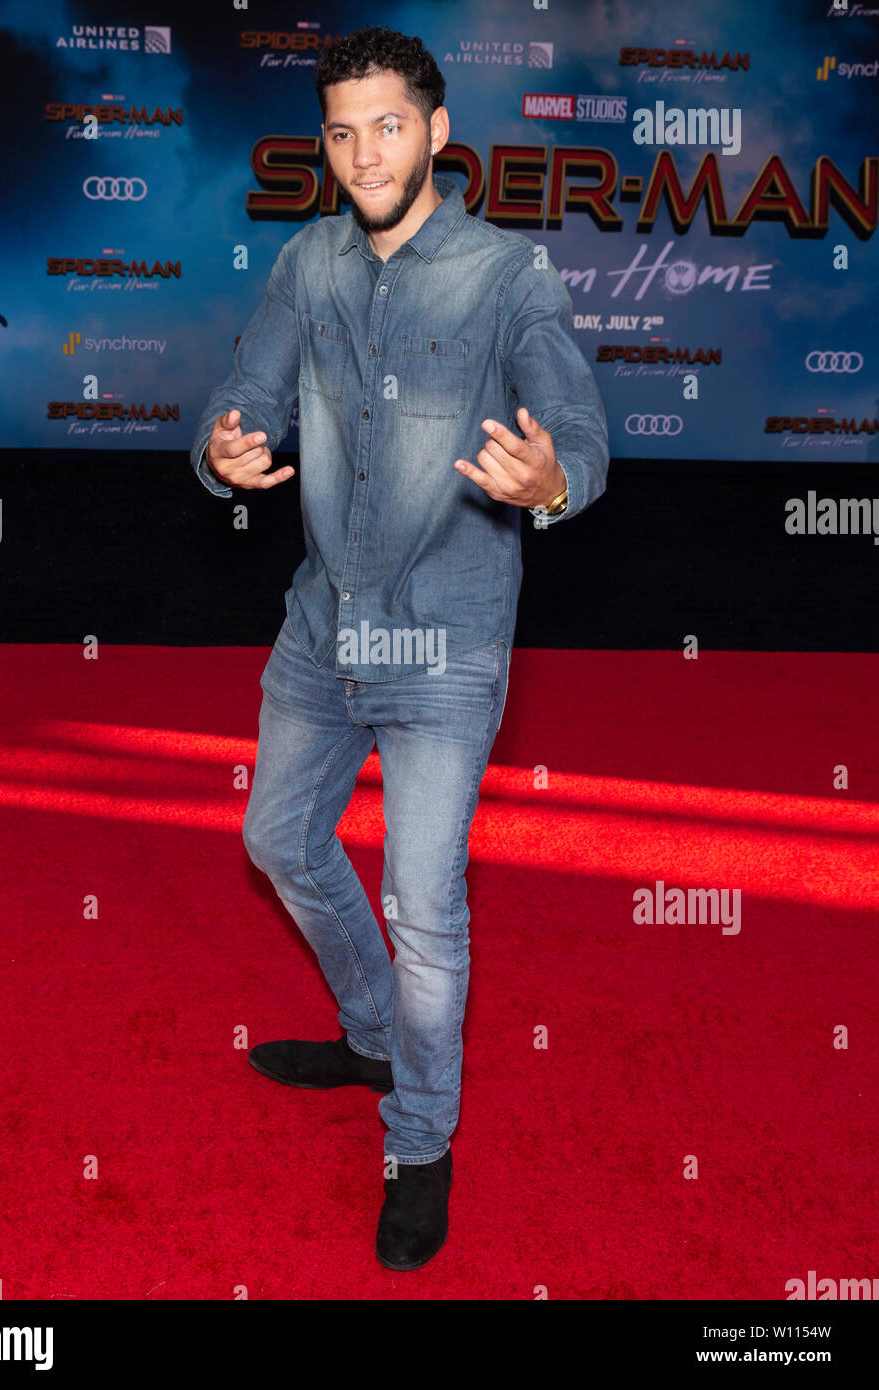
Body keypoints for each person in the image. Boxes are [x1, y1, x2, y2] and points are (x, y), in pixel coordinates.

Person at [190, 25, 609, 1271]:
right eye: (340, 130)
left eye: (387, 125)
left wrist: (551, 481)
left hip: (447, 640)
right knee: (276, 838)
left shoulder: (506, 274)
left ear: (435, 133)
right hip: (325, 620)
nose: (364, 151)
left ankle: (418, 1137)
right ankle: (371, 1029)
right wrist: (220, 453)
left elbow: (576, 425)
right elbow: (244, 397)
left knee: (423, 902)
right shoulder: (307, 262)